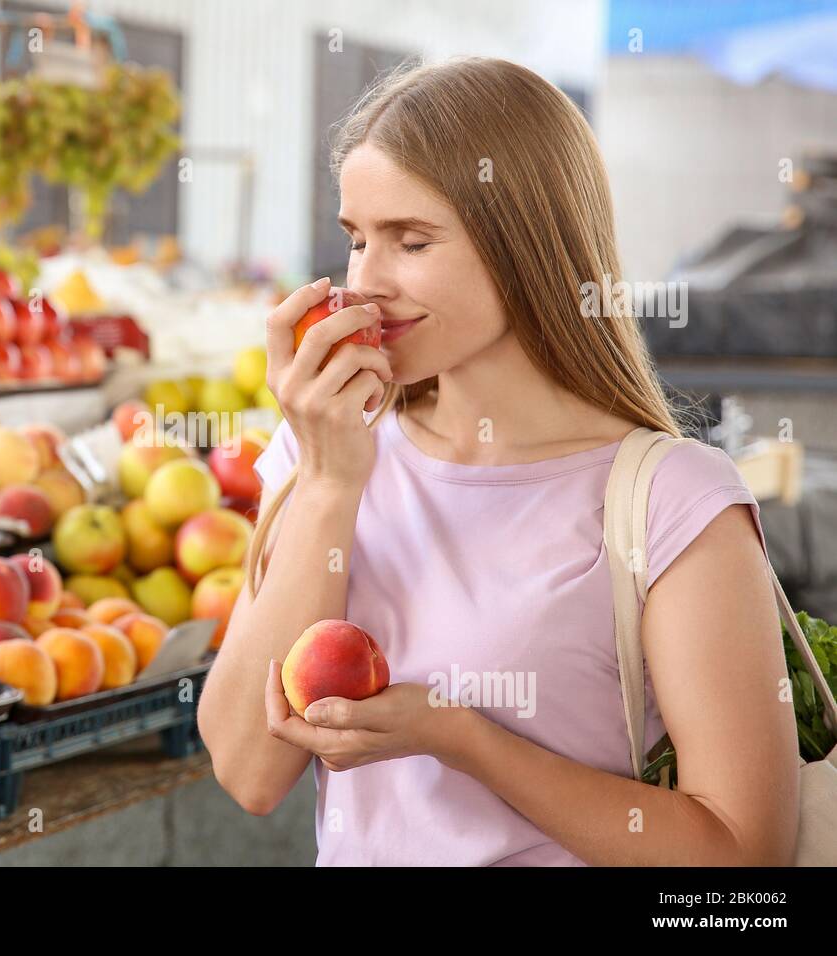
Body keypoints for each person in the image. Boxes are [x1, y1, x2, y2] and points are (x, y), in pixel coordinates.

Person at [196, 57, 799, 866]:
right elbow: (248, 772)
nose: (365, 282)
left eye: (412, 241)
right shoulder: (327, 446)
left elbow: (740, 853)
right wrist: (331, 483)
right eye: (356, 240)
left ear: (526, 242)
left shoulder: (672, 502)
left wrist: (461, 738)